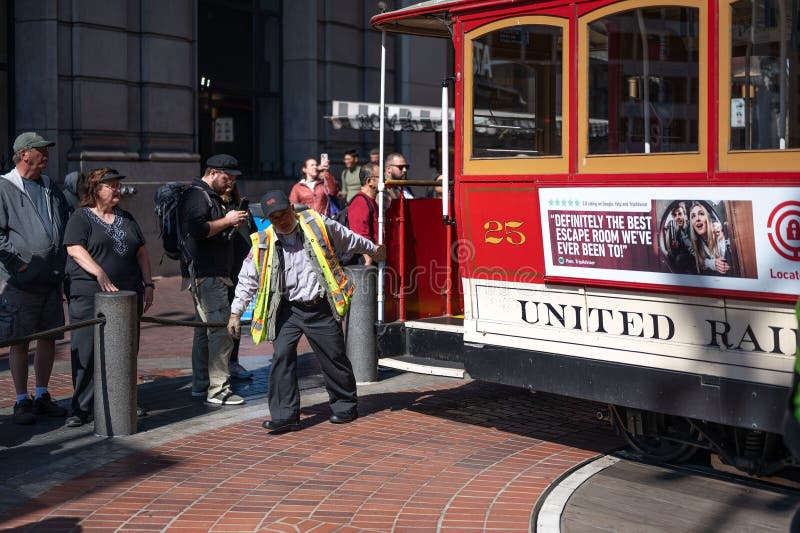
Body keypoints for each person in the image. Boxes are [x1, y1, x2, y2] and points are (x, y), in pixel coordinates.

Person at [227, 190, 386, 434]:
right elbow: (247, 278)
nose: (282, 220)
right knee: (281, 356)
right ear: (268, 220)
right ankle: (285, 416)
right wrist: (235, 313)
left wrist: (373, 249)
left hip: (320, 305)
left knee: (333, 356)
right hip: (287, 309)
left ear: (292, 208)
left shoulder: (317, 223)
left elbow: (348, 238)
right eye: (275, 218)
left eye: (284, 214)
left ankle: (345, 405)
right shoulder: (262, 241)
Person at [63, 168, 154, 427]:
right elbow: (74, 249)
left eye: (117, 185)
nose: (117, 190)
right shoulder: (81, 217)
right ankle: (82, 407)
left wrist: (148, 284)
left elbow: (141, 252)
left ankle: (123, 400)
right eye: (110, 185)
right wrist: (99, 273)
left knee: (126, 348)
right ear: (95, 189)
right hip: (89, 295)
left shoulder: (127, 218)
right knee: (87, 349)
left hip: (127, 295)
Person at [0, 132, 71, 425]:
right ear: (24, 153)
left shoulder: (50, 186)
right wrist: (18, 265)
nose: (47, 155)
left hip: (51, 278)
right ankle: (21, 399)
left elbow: (64, 220)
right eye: (41, 150)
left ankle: (42, 394)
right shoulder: (4, 187)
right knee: (19, 340)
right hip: (21, 282)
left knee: (48, 337)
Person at [179, 154, 250, 405]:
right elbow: (197, 230)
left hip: (208, 274)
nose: (231, 182)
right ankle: (219, 389)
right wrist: (228, 220)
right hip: (208, 275)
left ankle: (201, 384)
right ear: (212, 173)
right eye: (227, 177)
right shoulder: (197, 196)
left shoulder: (207, 196)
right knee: (220, 332)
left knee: (204, 332)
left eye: (234, 178)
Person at [221, 183, 256, 380]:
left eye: (233, 180)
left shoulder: (242, 209)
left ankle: (233, 361)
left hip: (240, 272)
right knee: (219, 320)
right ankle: (217, 366)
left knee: (236, 316)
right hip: (220, 272)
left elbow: (253, 238)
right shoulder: (215, 209)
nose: (230, 184)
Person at [346, 163, 379, 265]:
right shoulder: (360, 202)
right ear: (369, 181)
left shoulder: (371, 201)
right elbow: (360, 237)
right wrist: (368, 264)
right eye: (381, 177)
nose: (385, 180)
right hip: (364, 264)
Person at [688, 201, 730, 275]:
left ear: (707, 218)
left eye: (701, 214)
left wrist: (722, 238)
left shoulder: (718, 233)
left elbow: (727, 261)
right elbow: (699, 261)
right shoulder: (696, 242)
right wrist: (712, 263)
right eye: (693, 216)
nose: (697, 219)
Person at [663, 202, 694, 273]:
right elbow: (683, 249)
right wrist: (677, 247)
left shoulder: (691, 227)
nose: (678, 217)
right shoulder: (678, 232)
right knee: (670, 254)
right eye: (675, 215)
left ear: (685, 216)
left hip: (698, 257)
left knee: (679, 259)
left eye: (680, 214)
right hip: (690, 256)